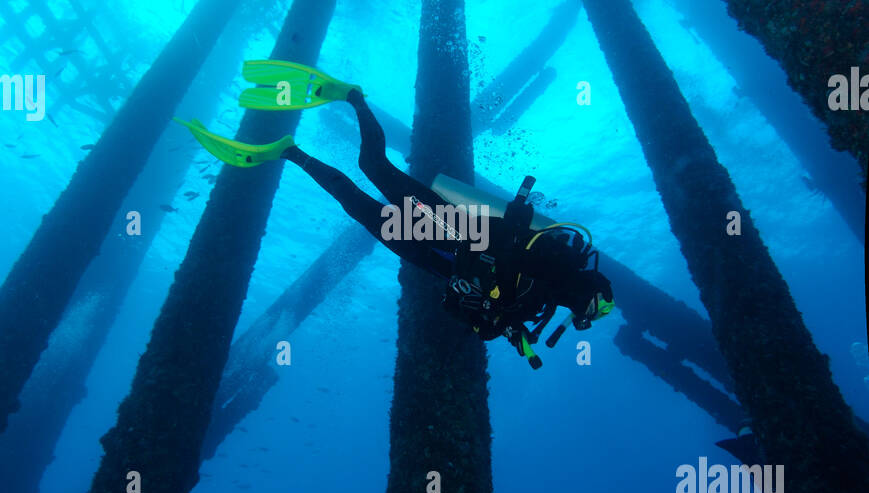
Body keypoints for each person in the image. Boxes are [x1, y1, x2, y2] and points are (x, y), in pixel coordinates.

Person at [177, 60, 615, 369]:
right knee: (374, 168)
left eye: (591, 316)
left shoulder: (536, 307)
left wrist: (498, 324)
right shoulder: (558, 262)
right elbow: (508, 238)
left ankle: (290, 153)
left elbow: (477, 320)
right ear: (590, 290)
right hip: (452, 230)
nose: (585, 317)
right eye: (593, 309)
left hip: (431, 257)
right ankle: (353, 97)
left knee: (355, 205)